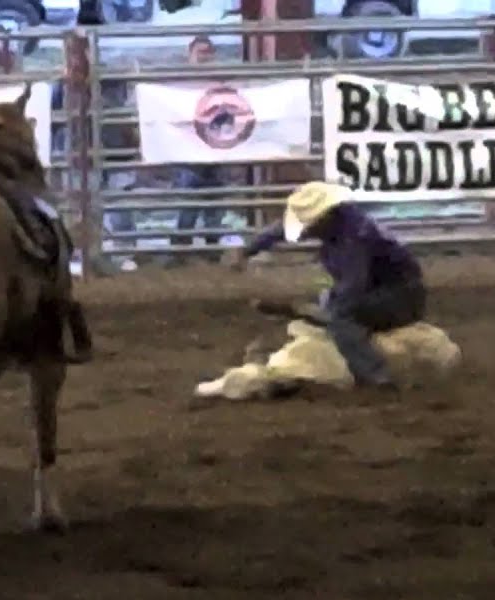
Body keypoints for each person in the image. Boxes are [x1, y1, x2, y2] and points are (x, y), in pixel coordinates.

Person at [230, 181, 426, 390]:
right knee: (330, 300)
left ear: (322, 218)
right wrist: (248, 249)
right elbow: (279, 230)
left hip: (400, 297)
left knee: (340, 315)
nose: (304, 230)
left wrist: (314, 310)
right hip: (388, 289)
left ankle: (376, 375)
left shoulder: (354, 239)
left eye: (308, 224)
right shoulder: (343, 223)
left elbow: (352, 288)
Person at [174, 35, 226, 246]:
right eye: (200, 52)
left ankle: (212, 250)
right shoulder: (180, 84)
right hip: (189, 153)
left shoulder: (221, 83)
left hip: (216, 153)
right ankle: (182, 250)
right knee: (188, 207)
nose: (204, 57)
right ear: (190, 55)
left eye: (208, 52)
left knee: (214, 209)